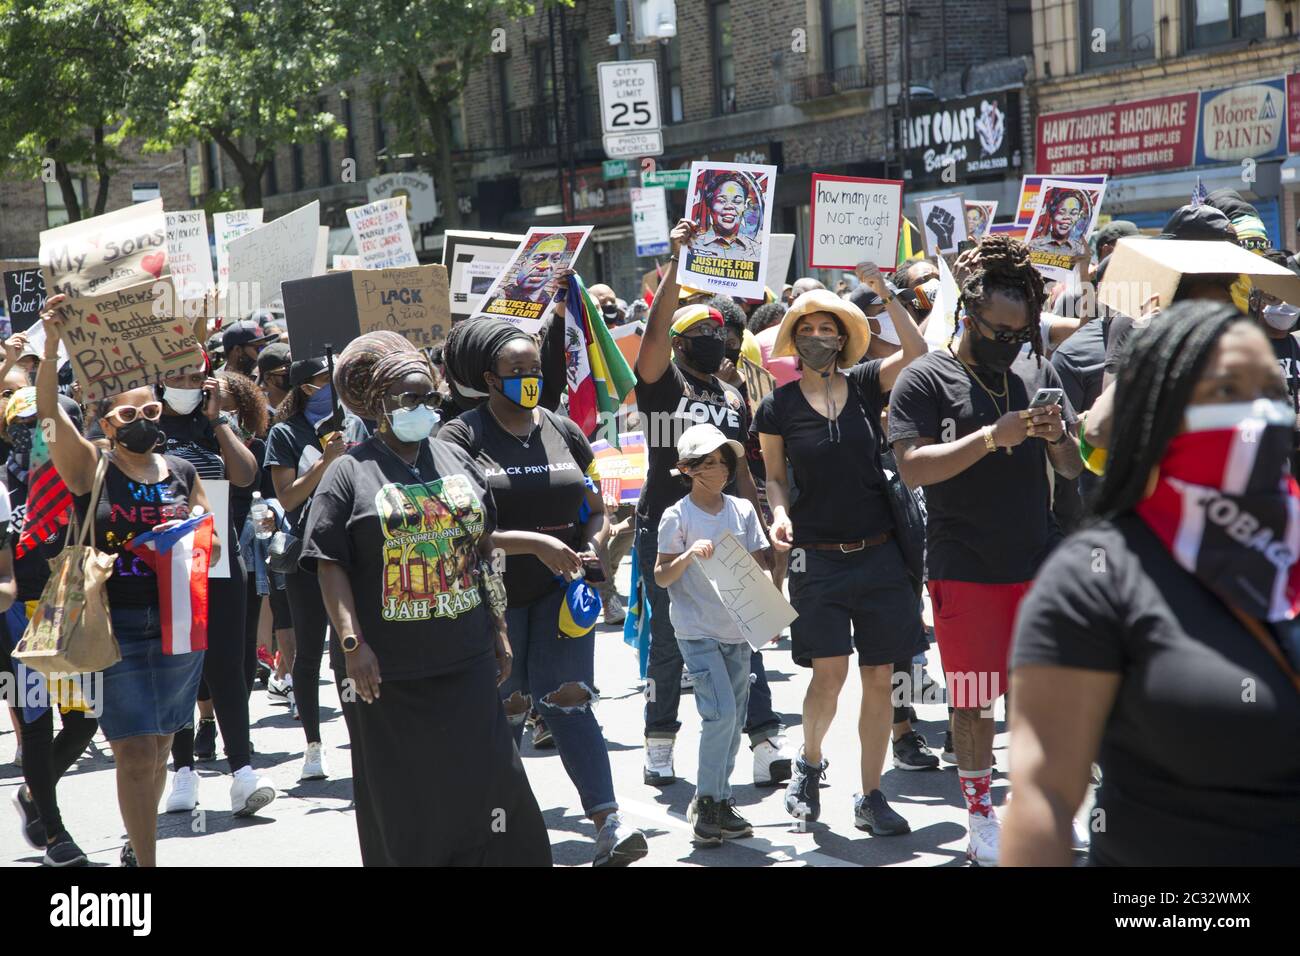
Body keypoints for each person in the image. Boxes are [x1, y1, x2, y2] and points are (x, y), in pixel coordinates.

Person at [1005, 302, 1300, 865]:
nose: (1258, 408)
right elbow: (1043, 796)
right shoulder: (1094, 578)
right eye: (1227, 389)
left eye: (1270, 388)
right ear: (1163, 415)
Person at [301, 332, 552, 866]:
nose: (422, 409)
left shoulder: (455, 458)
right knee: (407, 794)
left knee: (490, 781)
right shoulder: (349, 472)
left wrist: (500, 627)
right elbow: (329, 563)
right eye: (409, 400)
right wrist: (352, 644)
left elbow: (481, 548)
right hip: (389, 673)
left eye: (429, 398)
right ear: (380, 407)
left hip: (465, 656)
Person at [888, 236, 1082, 866]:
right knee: (973, 702)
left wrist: (1056, 441)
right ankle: (979, 820)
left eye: (1020, 333)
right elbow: (913, 469)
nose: (1011, 344)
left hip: (1037, 561)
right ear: (968, 315)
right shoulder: (924, 379)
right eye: (999, 332)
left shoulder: (1038, 372)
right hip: (964, 568)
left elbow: (1073, 470)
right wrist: (988, 439)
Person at [438, 317, 648, 867]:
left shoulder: (562, 428)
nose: (529, 378)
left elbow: (594, 507)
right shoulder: (459, 437)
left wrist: (595, 543)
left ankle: (609, 823)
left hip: (561, 595)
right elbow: (451, 524)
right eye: (517, 371)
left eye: (535, 369)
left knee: (569, 699)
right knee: (506, 706)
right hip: (494, 597)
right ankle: (494, 829)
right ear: (489, 378)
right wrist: (531, 543)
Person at [36, 295, 221, 867]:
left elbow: (205, 541)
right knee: (134, 750)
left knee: (162, 745)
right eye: (127, 417)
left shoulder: (184, 470)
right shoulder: (90, 465)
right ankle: (147, 861)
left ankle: (137, 844)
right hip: (114, 628)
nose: (142, 424)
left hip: (177, 626)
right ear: (104, 423)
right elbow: (49, 417)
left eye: (151, 415)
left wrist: (188, 536)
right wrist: (50, 346)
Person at [756, 262, 930, 834]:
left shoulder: (864, 383)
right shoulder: (776, 407)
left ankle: (871, 795)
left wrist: (884, 293)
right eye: (806, 331)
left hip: (880, 551)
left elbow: (919, 351)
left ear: (843, 339)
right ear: (794, 341)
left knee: (880, 675)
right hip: (817, 556)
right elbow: (775, 476)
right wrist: (778, 512)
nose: (816, 339)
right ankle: (809, 762)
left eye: (828, 331)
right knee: (828, 674)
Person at [635, 218, 791, 790]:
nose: (714, 333)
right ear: (677, 341)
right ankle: (659, 743)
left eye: (719, 326)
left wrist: (762, 521)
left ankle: (765, 741)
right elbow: (651, 339)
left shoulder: (731, 393)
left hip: (729, 522)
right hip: (672, 526)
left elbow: (743, 465)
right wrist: (678, 259)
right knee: (671, 640)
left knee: (747, 627)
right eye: (698, 326)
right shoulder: (661, 383)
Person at [155, 361, 274, 817]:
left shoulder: (213, 425)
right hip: (172, 564)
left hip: (222, 560)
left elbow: (246, 476)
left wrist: (218, 420)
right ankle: (183, 771)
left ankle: (242, 772)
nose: (187, 386)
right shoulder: (149, 425)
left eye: (194, 378)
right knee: (183, 666)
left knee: (229, 666)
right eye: (178, 377)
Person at [654, 424, 770, 845]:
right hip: (697, 632)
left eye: (722, 462)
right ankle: (705, 802)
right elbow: (662, 576)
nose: (718, 470)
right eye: (707, 464)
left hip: (737, 632)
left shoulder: (741, 510)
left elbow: (760, 565)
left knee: (734, 718)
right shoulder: (677, 516)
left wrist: (767, 615)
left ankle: (720, 800)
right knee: (719, 714)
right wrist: (687, 556)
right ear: (686, 470)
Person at [2, 387, 97, 866]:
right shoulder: (4, 487)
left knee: (85, 720)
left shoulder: (84, 478)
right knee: (37, 727)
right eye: (22, 428)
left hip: (72, 612)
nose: (34, 438)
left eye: (46, 426)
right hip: (24, 617)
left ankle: (34, 795)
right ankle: (57, 834)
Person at [264, 355, 346, 780]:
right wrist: (325, 461)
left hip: (350, 551)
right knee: (309, 650)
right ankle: (313, 744)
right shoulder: (284, 433)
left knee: (350, 649)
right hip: (306, 556)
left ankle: (365, 734)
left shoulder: (352, 424)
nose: (329, 388)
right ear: (302, 389)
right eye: (320, 382)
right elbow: (288, 498)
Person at [693, 173, 761, 261]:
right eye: (722, 200)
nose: (729, 206)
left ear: (744, 206)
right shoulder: (692, 245)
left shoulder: (757, 250)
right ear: (709, 205)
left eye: (737, 201)